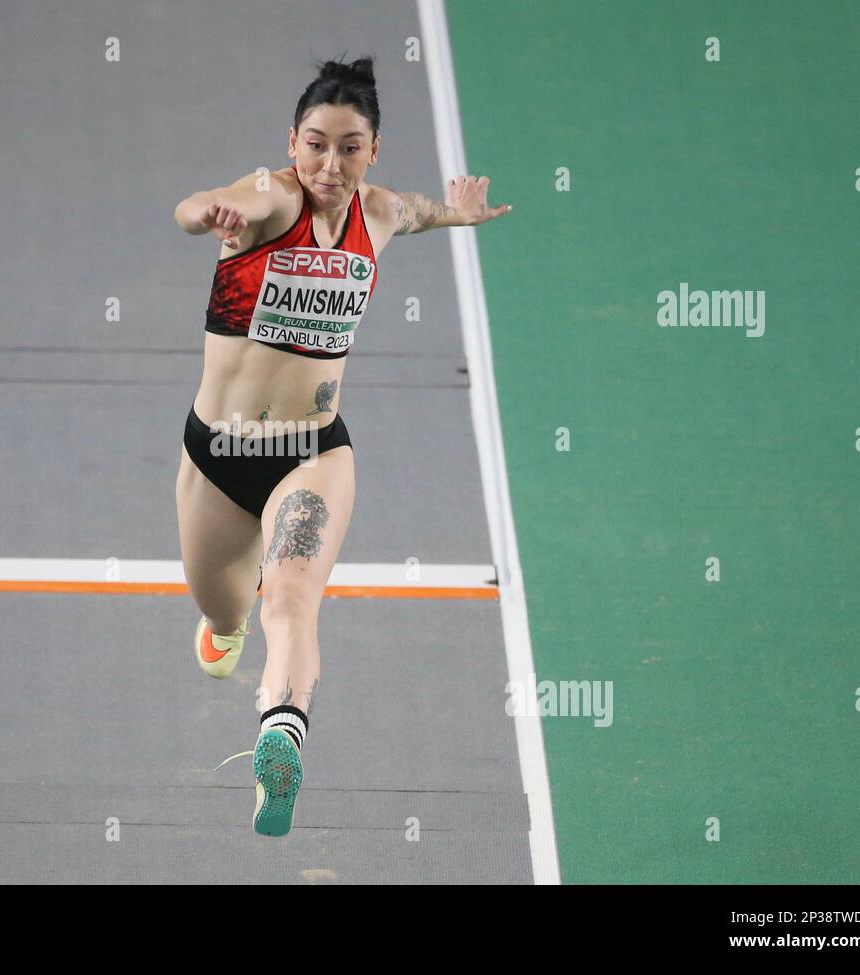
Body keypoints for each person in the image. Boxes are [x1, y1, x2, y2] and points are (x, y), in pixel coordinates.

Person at [172, 54, 511, 836]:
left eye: (350, 146)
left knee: (290, 595)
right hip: (219, 459)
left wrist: (457, 214)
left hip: (313, 451)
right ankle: (226, 629)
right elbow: (194, 205)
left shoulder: (380, 213)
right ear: (292, 143)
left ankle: (280, 736)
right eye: (317, 143)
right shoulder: (265, 198)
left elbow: (418, 214)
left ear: (373, 151)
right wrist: (208, 217)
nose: (331, 162)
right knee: (224, 615)